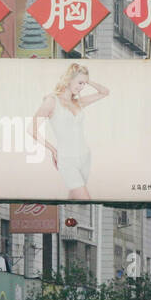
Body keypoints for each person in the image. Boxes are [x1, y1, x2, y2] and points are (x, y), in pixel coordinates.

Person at [32, 62, 109, 200]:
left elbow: (105, 92)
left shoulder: (78, 102)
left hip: (85, 156)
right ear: (69, 79)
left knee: (75, 199)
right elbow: (32, 130)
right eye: (79, 83)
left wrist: (87, 79)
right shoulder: (52, 101)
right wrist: (53, 150)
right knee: (85, 199)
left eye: (84, 84)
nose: (82, 87)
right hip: (66, 159)